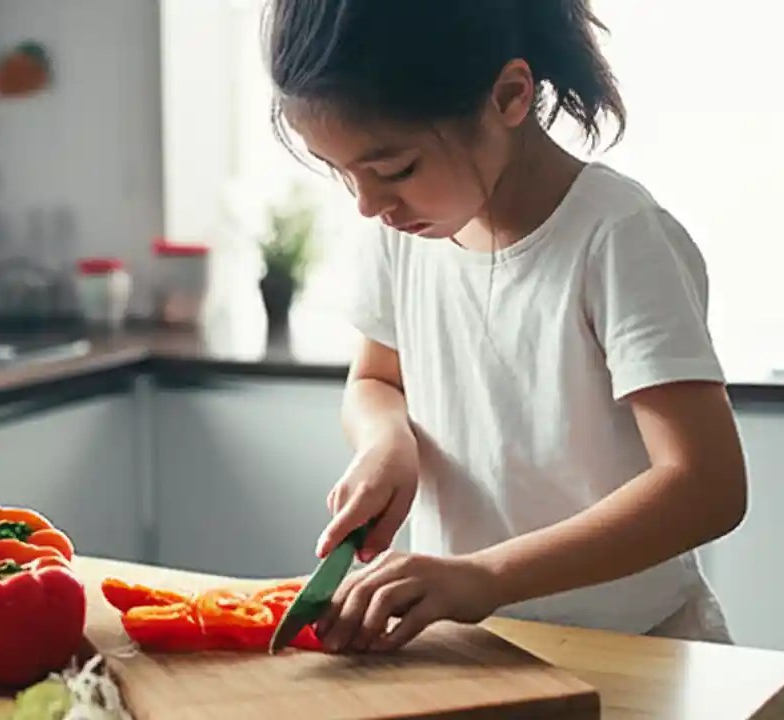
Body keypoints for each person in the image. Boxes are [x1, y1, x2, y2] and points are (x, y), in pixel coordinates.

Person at [262, 0, 749, 654]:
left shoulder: (617, 237)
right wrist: (387, 442)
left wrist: (486, 575)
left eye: (394, 170)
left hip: (637, 649)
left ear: (510, 96)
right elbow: (376, 379)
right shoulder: (405, 232)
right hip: (479, 649)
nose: (368, 204)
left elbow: (707, 486)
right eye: (343, 173)